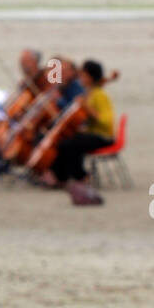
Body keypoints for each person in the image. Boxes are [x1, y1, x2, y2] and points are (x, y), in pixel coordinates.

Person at [47, 59, 113, 203]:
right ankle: (63, 176)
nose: (79, 78)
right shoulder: (88, 93)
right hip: (91, 133)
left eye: (82, 75)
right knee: (66, 142)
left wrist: (88, 110)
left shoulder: (99, 95)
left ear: (89, 77)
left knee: (70, 145)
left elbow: (106, 121)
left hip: (102, 136)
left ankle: (81, 177)